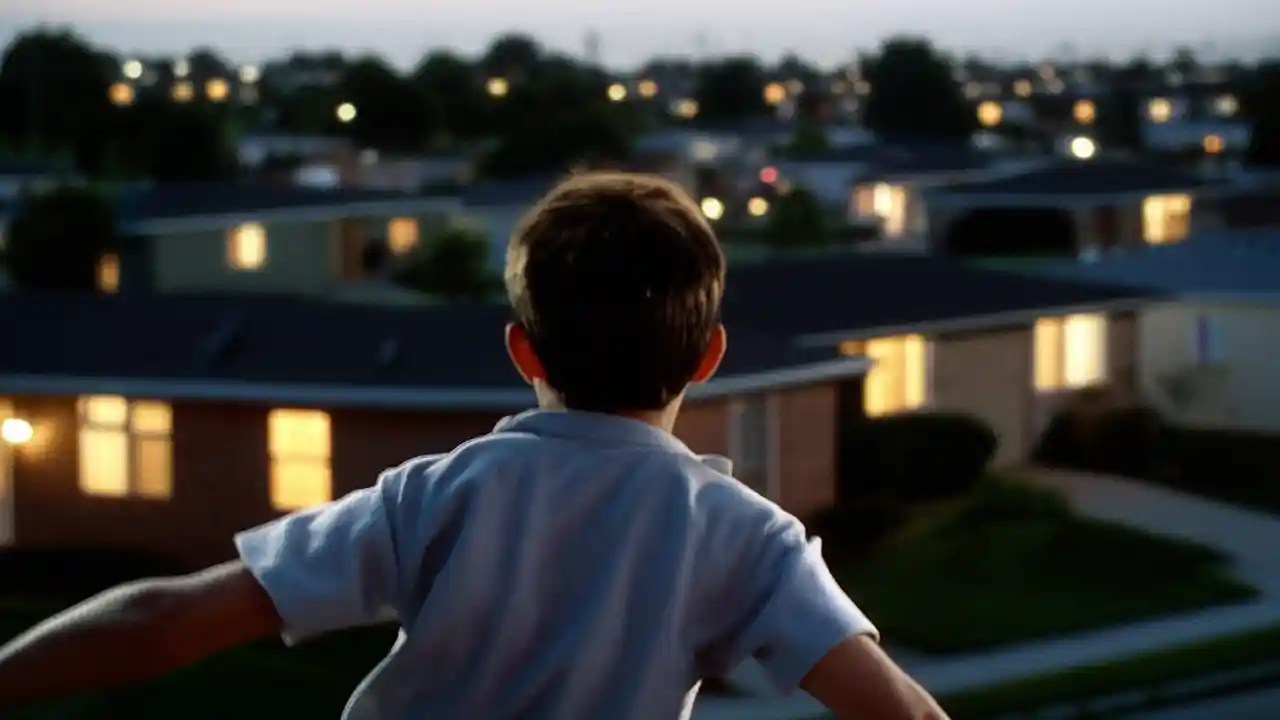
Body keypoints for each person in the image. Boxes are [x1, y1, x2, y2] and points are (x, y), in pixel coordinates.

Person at [0, 172, 948, 720]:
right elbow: (900, 713)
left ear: (520, 347)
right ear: (709, 357)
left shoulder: (433, 496)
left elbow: (165, 621)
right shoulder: (746, 538)